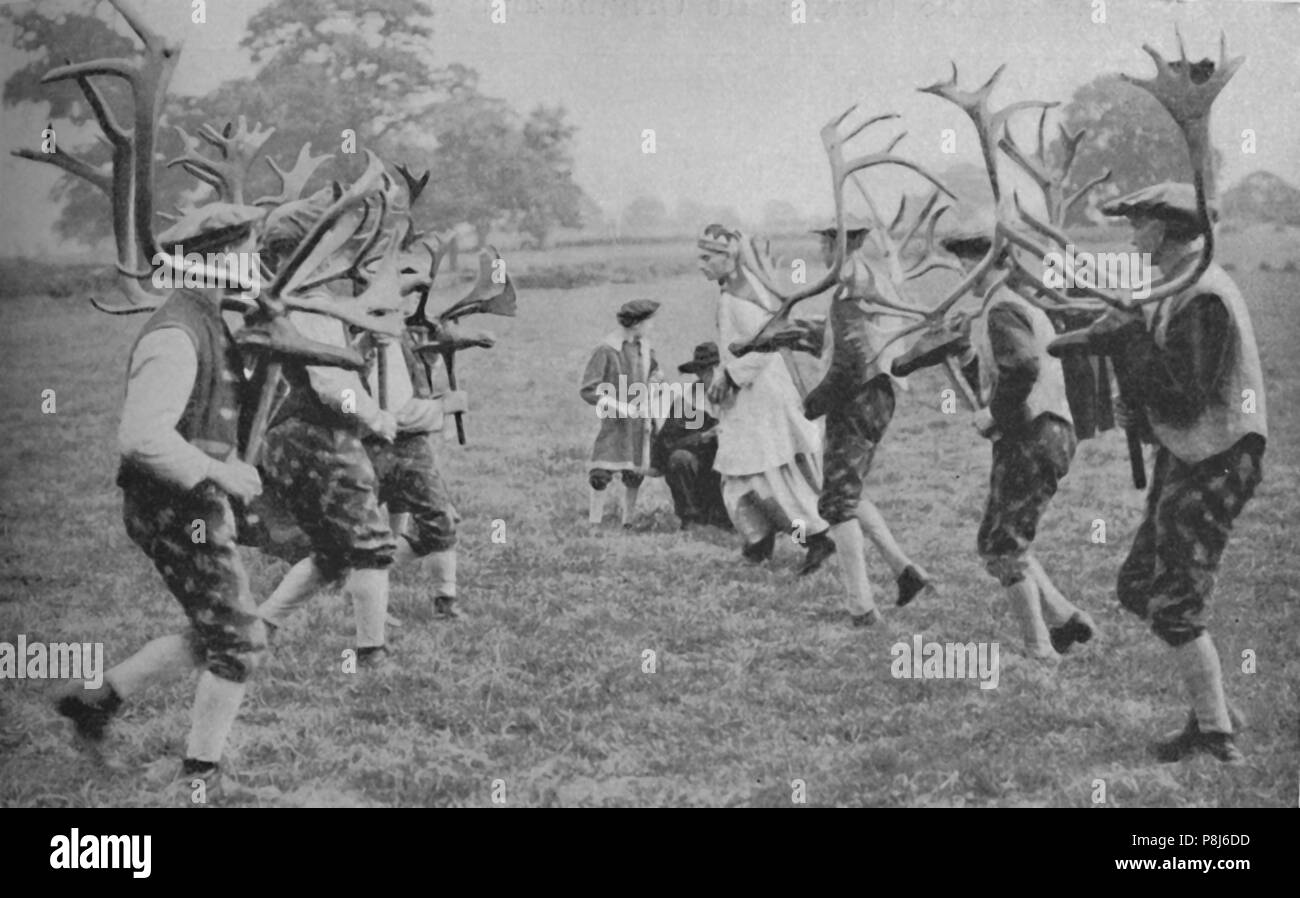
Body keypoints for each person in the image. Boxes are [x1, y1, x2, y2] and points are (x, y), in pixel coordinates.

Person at [54, 205, 270, 797]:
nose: (257, 263)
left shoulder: (206, 318)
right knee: (240, 641)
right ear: (218, 259)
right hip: (173, 509)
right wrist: (218, 473)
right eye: (249, 250)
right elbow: (142, 436)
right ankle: (200, 775)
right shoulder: (177, 333)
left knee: (219, 628)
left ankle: (96, 699)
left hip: (187, 505)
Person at [1073, 182, 1265, 763]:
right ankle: (1216, 709)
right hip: (1189, 450)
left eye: (1139, 223)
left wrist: (1128, 343)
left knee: (1175, 604)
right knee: (1139, 586)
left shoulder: (1202, 294)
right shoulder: (1175, 285)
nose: (1132, 234)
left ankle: (1216, 733)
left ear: (1165, 229)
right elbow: (1164, 385)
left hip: (1218, 455)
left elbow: (1182, 397)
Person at [894, 228, 1097, 662]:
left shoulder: (1001, 308)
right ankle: (1063, 620)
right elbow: (1004, 372)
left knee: (1000, 545)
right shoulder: (1008, 306)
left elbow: (1022, 368)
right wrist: (966, 356)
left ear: (1001, 262)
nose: (968, 269)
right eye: (965, 260)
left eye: (978, 259)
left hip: (1033, 435)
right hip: (1046, 433)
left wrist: (995, 415)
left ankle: (1039, 649)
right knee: (1005, 538)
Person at [799, 221, 933, 626]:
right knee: (849, 489)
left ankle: (861, 608)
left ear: (838, 245)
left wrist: (813, 403)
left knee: (837, 503)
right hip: (880, 393)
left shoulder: (849, 288)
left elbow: (851, 360)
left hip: (857, 396)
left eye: (825, 241)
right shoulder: (869, 277)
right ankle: (906, 571)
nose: (822, 248)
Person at [697, 224, 835, 573]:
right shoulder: (735, 290)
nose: (702, 264)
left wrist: (729, 374)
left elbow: (768, 344)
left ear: (729, 258)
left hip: (764, 397)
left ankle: (817, 539)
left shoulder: (741, 297)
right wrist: (725, 374)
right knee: (743, 479)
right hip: (749, 398)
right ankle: (758, 542)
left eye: (708, 257)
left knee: (771, 483)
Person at [363, 323, 468, 621]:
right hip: (371, 448)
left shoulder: (405, 341)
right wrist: (443, 408)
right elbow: (394, 414)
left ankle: (445, 600)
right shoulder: (366, 343)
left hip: (413, 449)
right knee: (364, 533)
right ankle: (367, 600)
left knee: (441, 518)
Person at [579, 299, 662, 528]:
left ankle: (628, 521)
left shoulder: (644, 348)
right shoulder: (607, 350)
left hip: (639, 422)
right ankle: (595, 520)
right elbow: (588, 388)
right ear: (636, 323)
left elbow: (655, 373)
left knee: (635, 472)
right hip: (615, 422)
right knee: (601, 472)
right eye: (649, 322)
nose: (652, 326)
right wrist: (618, 406)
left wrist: (653, 387)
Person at [651, 342, 730, 530]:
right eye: (701, 371)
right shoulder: (688, 400)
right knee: (680, 459)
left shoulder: (737, 395)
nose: (706, 376)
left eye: (711, 371)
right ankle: (691, 518)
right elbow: (667, 443)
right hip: (701, 469)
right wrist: (703, 437)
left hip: (732, 469)